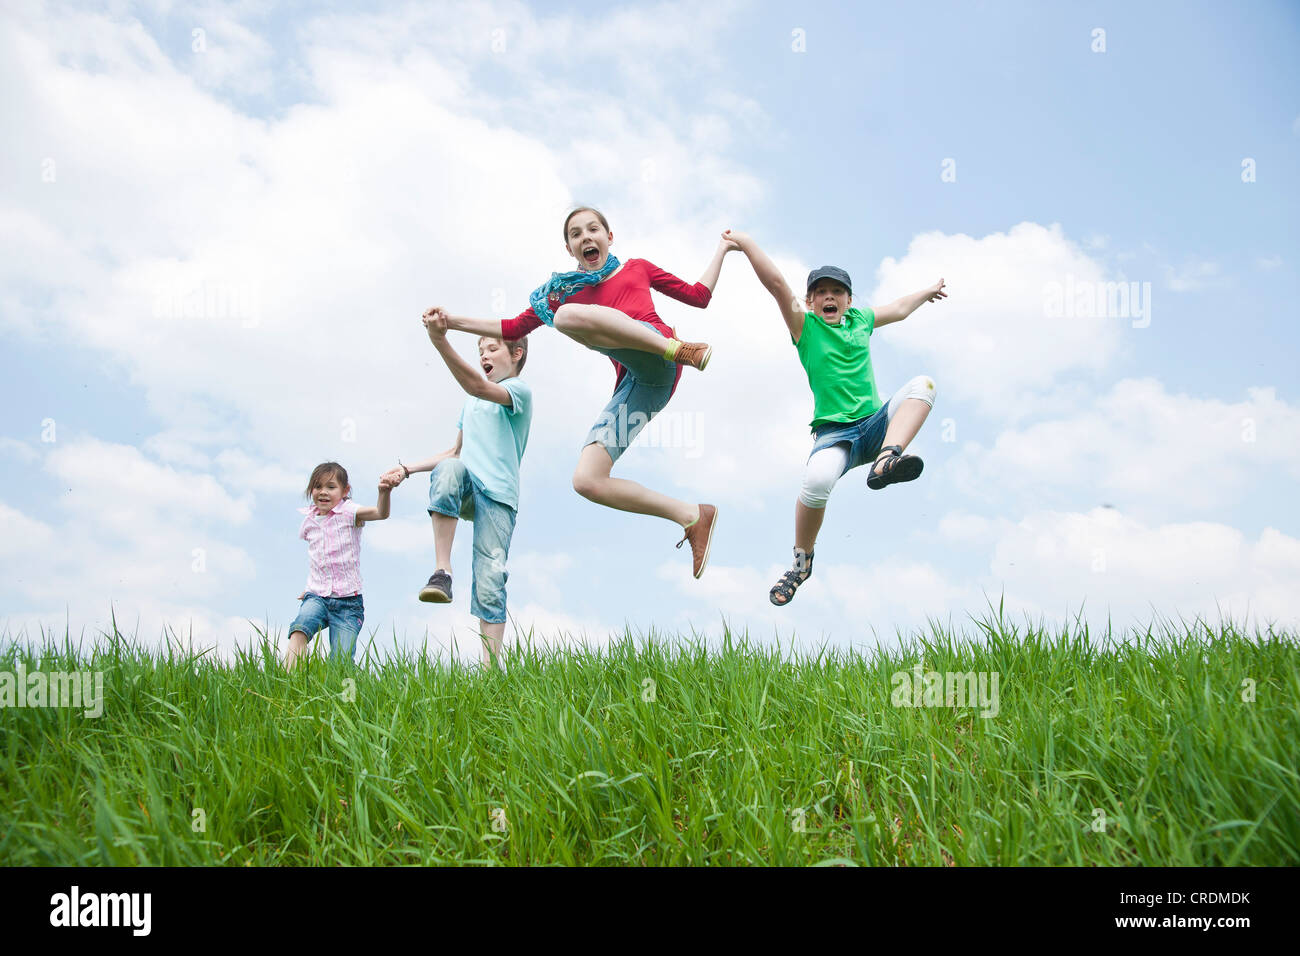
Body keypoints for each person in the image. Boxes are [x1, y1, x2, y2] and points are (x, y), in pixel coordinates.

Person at [425, 206, 735, 579]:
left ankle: (672, 346)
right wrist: (450, 322)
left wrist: (723, 249)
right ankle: (691, 515)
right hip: (639, 383)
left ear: (609, 236)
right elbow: (512, 326)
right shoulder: (564, 292)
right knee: (587, 479)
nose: (586, 237)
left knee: (567, 317)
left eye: (593, 229)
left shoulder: (636, 268)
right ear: (570, 248)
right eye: (576, 234)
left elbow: (699, 296)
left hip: (663, 358)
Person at [723, 229, 948, 606]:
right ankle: (800, 563)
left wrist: (927, 292)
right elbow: (776, 283)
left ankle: (886, 460)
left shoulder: (861, 320)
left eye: (838, 292)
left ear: (848, 300)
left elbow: (900, 308)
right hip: (834, 436)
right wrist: (744, 244)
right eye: (821, 292)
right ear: (810, 301)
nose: (830, 297)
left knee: (923, 385)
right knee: (817, 480)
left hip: (875, 425)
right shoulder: (804, 327)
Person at [383, 323, 531, 668]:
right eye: (480, 351)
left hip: (498, 496)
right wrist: (406, 469)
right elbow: (455, 451)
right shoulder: (472, 403)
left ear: (516, 354)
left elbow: (477, 385)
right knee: (447, 471)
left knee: (491, 576)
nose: (483, 355)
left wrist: (439, 341)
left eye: (492, 349)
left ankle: (490, 669)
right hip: (467, 485)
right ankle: (442, 572)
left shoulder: (519, 391)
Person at [285, 462, 393, 668]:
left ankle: (338, 692)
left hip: (348, 604)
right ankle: (287, 682)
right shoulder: (309, 521)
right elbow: (318, 558)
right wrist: (309, 587)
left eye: (331, 487)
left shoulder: (349, 512)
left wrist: (384, 492)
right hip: (316, 596)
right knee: (299, 628)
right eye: (317, 487)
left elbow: (381, 513)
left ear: (345, 491)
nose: (323, 492)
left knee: (341, 661)